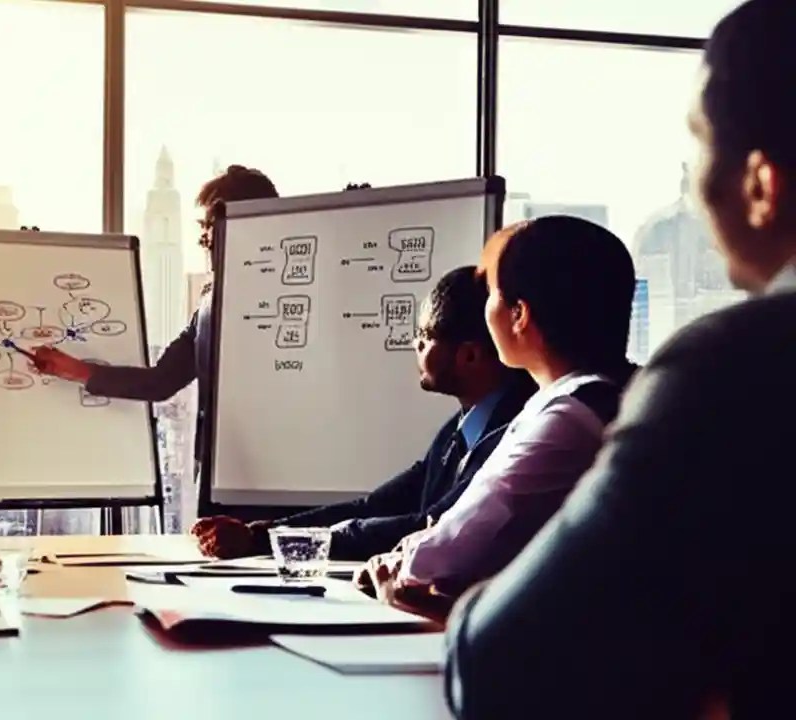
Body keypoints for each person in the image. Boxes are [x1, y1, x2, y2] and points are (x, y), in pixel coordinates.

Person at [443, 3, 796, 717]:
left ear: (762, 185)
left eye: (701, 143)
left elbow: (504, 659)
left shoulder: (731, 370)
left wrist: (467, 605)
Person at [362, 215, 639, 609]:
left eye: (491, 294)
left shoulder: (568, 417)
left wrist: (402, 565)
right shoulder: (593, 398)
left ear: (518, 314)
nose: (485, 310)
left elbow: (446, 554)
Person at [191, 265, 535, 561]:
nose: (415, 344)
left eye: (425, 335)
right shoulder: (456, 432)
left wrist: (269, 542)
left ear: (469, 356)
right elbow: (375, 506)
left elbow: (430, 526)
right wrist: (268, 533)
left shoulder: (515, 431)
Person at [31, 165, 278, 463]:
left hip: (280, 467)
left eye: (211, 225)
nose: (204, 239)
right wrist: (74, 369)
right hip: (220, 469)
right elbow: (160, 381)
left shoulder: (288, 300)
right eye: (204, 227)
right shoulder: (208, 308)